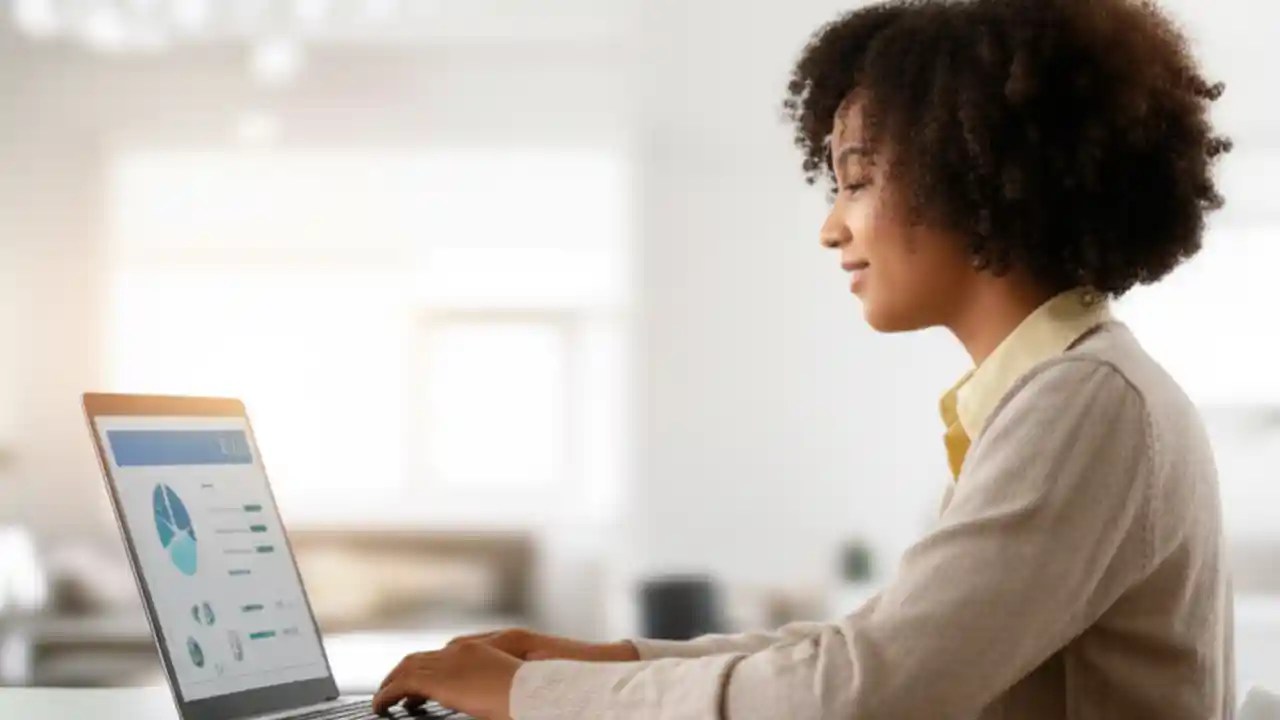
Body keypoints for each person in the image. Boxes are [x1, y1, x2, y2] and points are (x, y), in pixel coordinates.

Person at [372, 0, 1235, 717]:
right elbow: (873, 648)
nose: (831, 227)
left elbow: (863, 691)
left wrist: (532, 695)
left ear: (972, 176)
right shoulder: (1068, 389)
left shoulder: (1086, 402)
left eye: (856, 181)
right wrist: (606, 661)